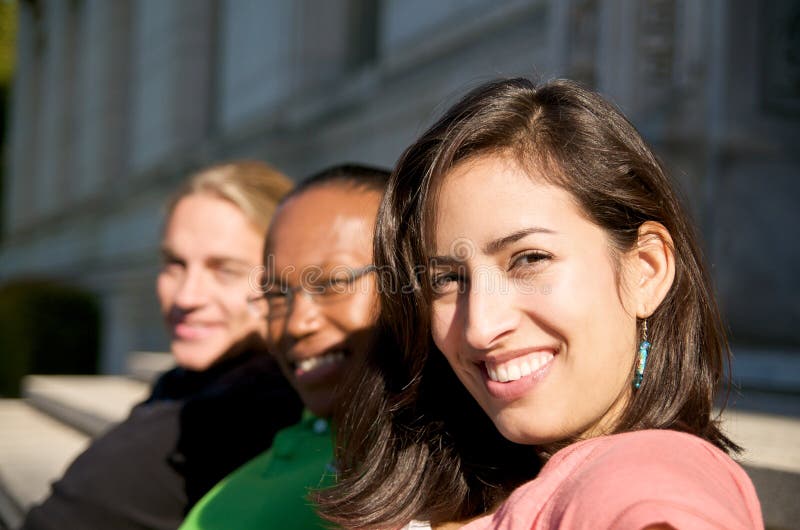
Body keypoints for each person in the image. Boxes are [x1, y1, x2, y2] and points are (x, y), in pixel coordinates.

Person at [318, 79, 763, 530]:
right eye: (448, 279)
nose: (480, 328)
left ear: (645, 270)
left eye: (529, 259)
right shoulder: (462, 477)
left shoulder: (649, 478)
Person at [23, 161, 303, 530]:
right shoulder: (188, 383)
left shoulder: (255, 408)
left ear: (283, 279)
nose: (186, 296)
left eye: (225, 270)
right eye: (174, 264)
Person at [178, 164, 395, 530]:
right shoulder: (291, 423)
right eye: (278, 295)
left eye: (333, 283)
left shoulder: (411, 476)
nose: (295, 323)